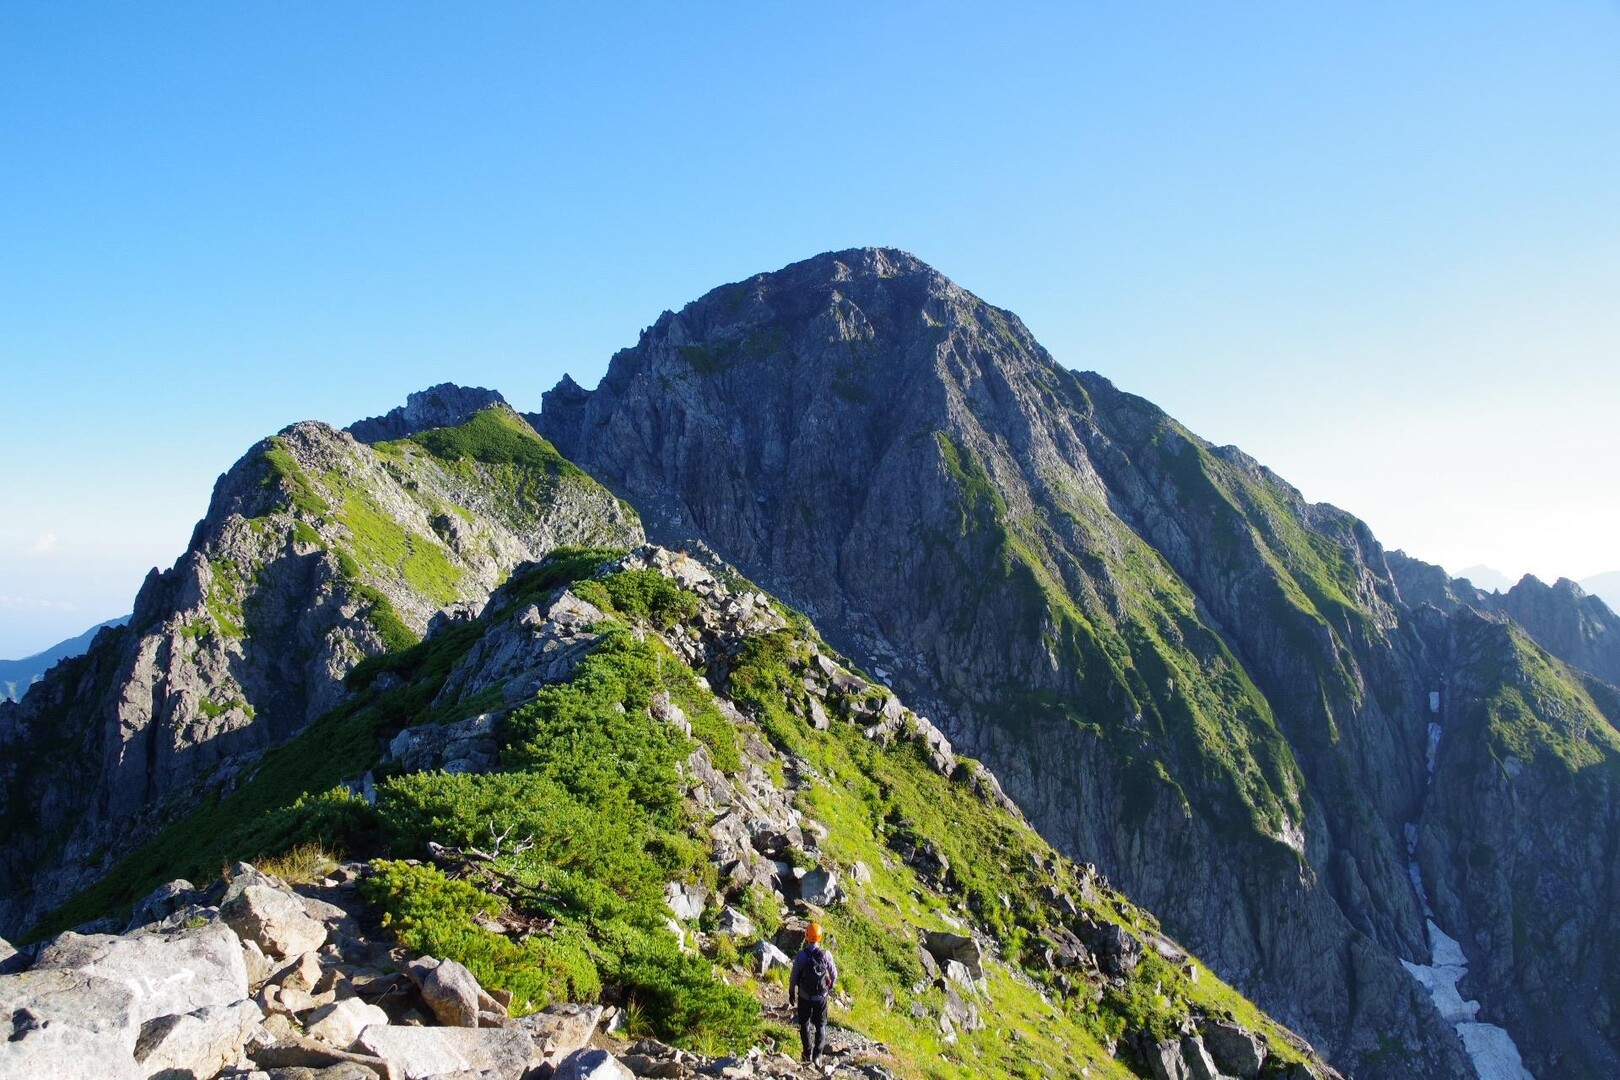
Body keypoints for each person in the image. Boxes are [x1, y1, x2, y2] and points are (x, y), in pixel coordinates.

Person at [788, 921, 838, 1065]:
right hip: (821, 997)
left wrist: (791, 992)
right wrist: (829, 986)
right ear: (820, 937)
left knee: (804, 1023)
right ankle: (817, 1055)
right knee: (821, 1024)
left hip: (804, 996)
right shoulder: (826, 954)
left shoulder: (801, 955)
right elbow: (834, 974)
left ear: (806, 936)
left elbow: (794, 976)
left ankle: (806, 1053)